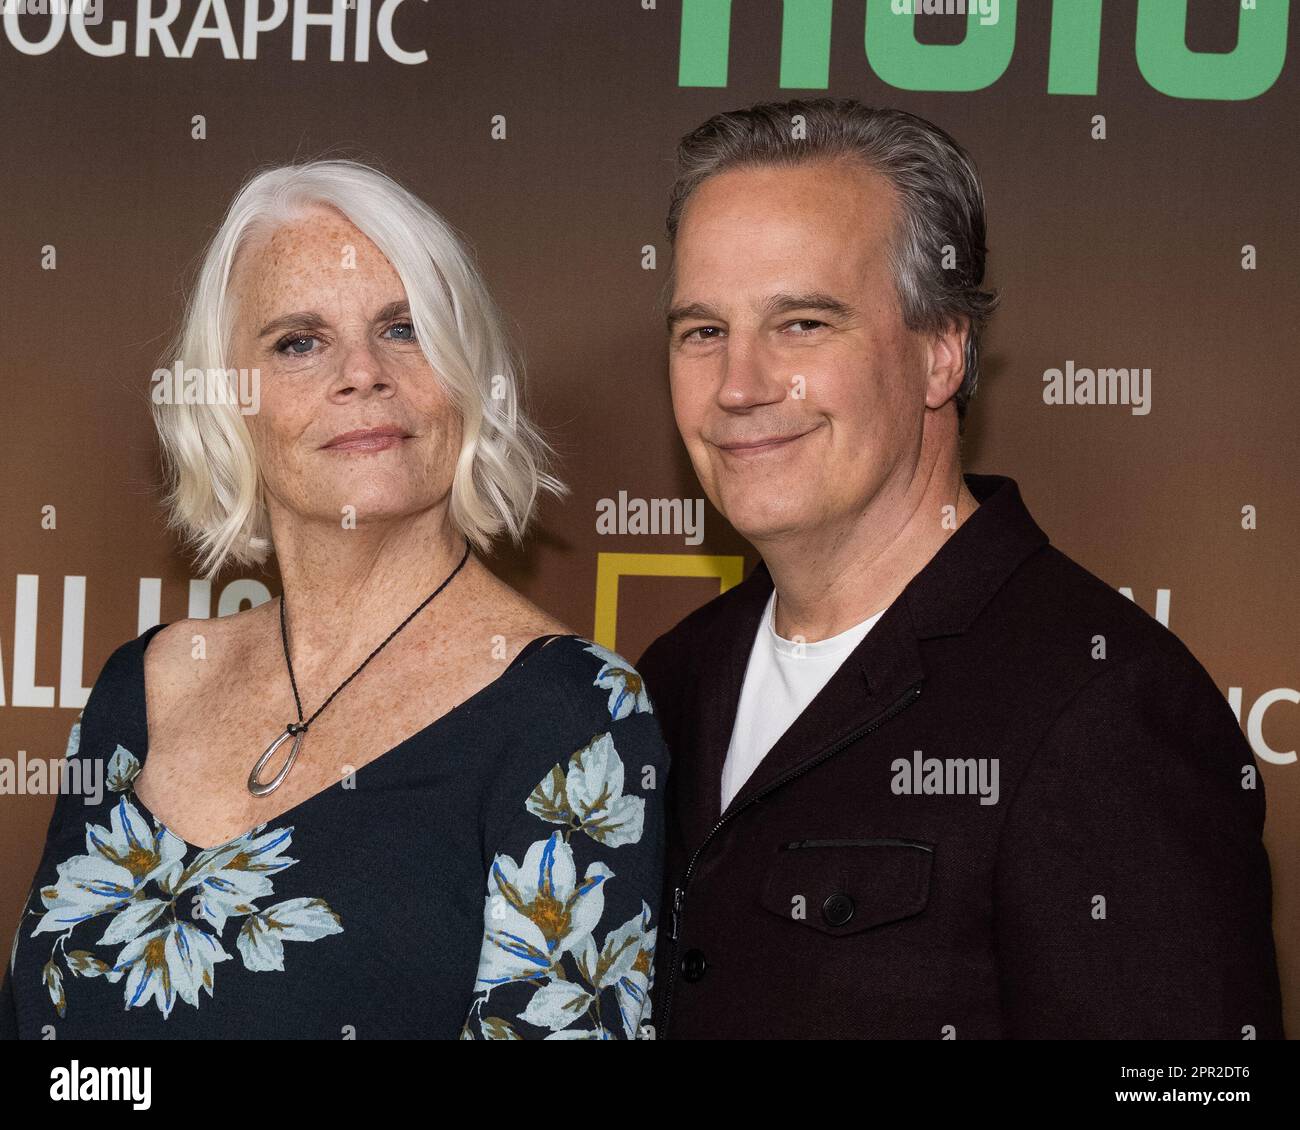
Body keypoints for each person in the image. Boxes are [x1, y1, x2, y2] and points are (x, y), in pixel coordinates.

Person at [636, 98, 1284, 1039]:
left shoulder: (1102, 707)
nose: (739, 385)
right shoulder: (669, 679)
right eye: (702, 331)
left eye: (804, 324)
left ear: (944, 352)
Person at [0, 159, 667, 1040]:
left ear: (468, 375)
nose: (363, 373)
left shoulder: (573, 716)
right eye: (299, 342)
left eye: (404, 328)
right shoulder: (145, 686)